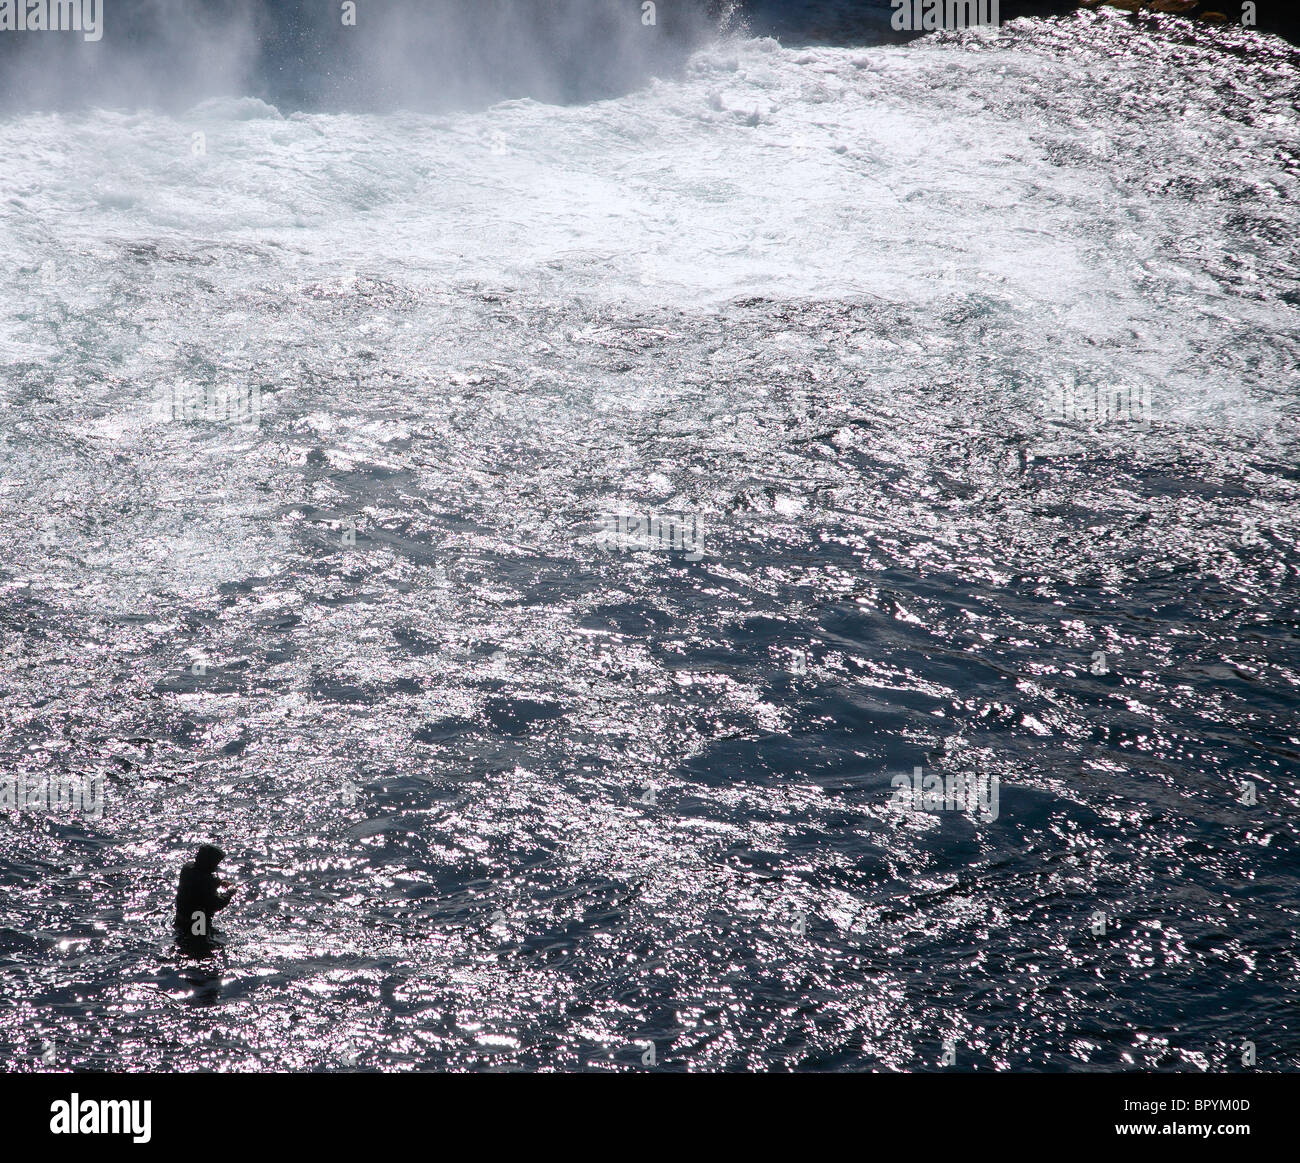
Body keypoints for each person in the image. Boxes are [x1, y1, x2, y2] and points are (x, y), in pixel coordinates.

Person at [174, 844, 234, 939]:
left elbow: (200, 879)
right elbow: (216, 904)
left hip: (181, 918)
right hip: (197, 925)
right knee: (200, 950)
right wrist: (230, 892)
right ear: (210, 862)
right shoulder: (206, 881)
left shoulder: (187, 868)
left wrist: (219, 882)